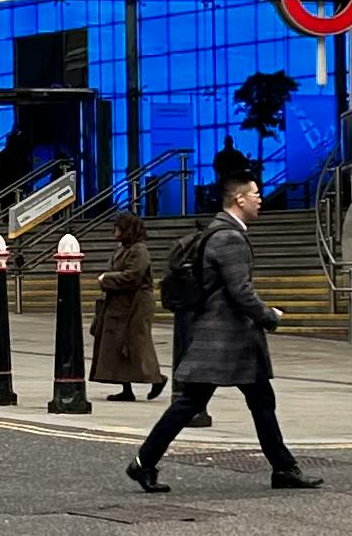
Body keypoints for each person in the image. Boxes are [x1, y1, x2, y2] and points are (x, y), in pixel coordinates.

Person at [128, 174, 317, 493]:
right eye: (255, 193)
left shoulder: (221, 231)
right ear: (239, 199)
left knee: (257, 400)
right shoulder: (228, 237)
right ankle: (143, 462)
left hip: (229, 337)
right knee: (192, 403)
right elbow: (240, 291)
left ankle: (284, 467)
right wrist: (269, 315)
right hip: (226, 339)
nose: (261, 198)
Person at [90, 212, 163, 400]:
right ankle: (126, 389)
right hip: (118, 303)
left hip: (136, 305)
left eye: (119, 227)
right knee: (116, 345)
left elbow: (132, 276)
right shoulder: (122, 249)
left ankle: (157, 378)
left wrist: (106, 279)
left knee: (136, 344)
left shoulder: (140, 250)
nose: (115, 230)